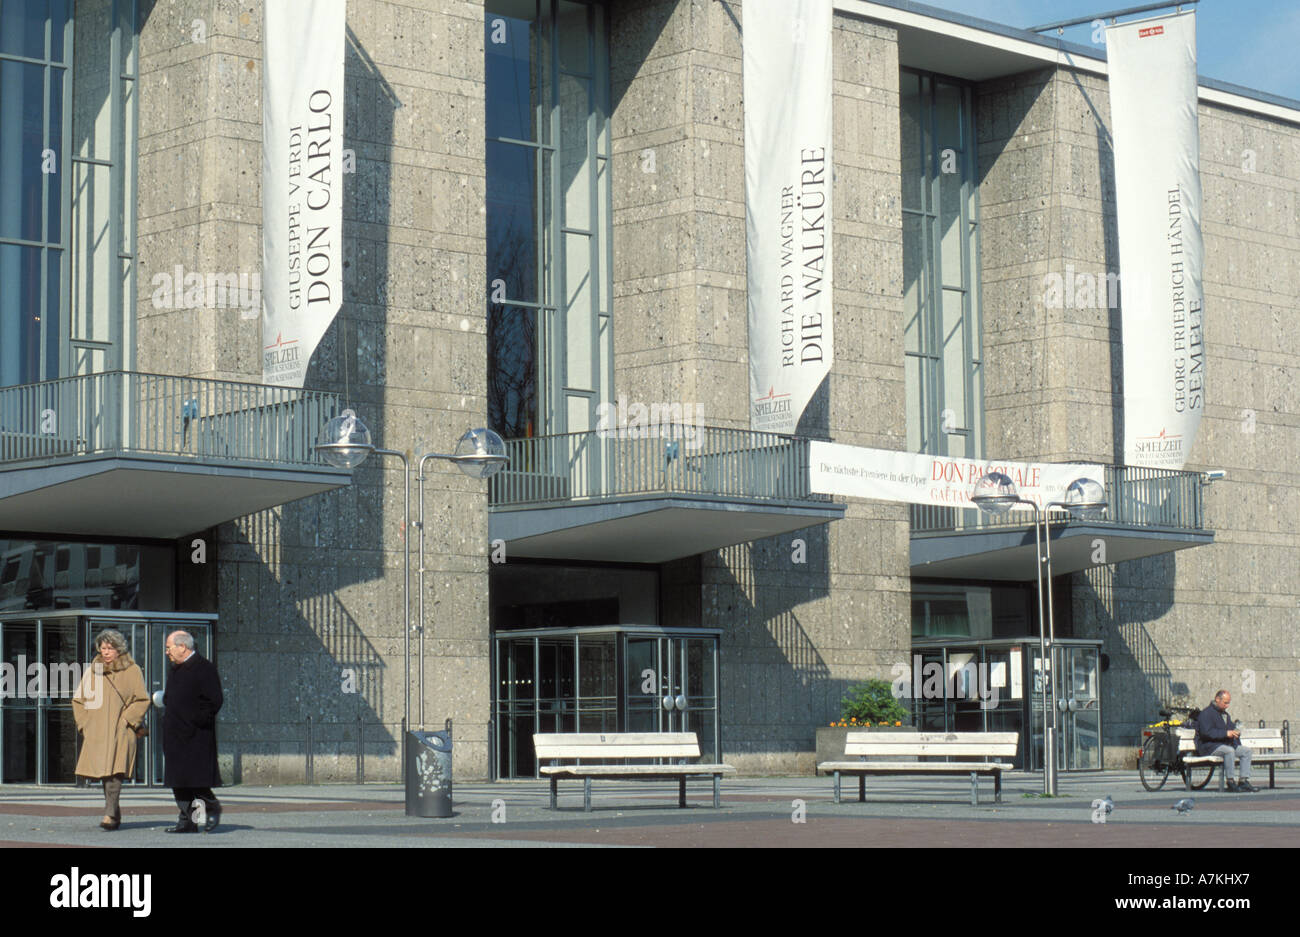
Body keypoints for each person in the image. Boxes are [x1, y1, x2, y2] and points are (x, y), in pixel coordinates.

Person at [71, 629, 150, 831]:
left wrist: (127, 720)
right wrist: (84, 724)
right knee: (105, 775)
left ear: (119, 649)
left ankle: (109, 814)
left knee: (116, 773)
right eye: (103, 648)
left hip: (121, 730)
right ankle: (114, 814)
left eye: (110, 648)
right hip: (96, 730)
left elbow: (142, 699)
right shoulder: (92, 670)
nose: (105, 652)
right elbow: (78, 700)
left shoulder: (132, 670)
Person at [161, 630, 224, 832]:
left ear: (183, 647)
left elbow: (214, 700)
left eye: (169, 647)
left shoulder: (204, 668)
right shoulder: (175, 669)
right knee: (179, 781)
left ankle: (212, 807)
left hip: (195, 735)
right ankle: (188, 821)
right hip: (175, 734)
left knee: (196, 780)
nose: (166, 652)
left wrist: (196, 720)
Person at [1195, 689, 1255, 792]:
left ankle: (1243, 781)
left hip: (1223, 745)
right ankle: (1230, 781)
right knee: (1229, 751)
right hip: (1209, 746)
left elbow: (1230, 728)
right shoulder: (1206, 713)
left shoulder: (1225, 715)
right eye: (1225, 703)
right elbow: (1206, 733)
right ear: (1217, 699)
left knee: (1246, 751)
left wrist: (1235, 732)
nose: (1227, 706)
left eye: (1228, 703)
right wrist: (1226, 733)